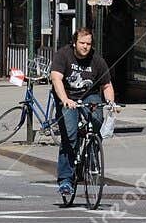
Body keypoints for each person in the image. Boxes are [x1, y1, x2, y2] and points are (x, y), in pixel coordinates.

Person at [50, 27, 116, 206]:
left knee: (97, 120)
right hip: (68, 98)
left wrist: (111, 104)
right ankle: (65, 180)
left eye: (88, 43)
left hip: (89, 96)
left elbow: (107, 85)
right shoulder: (63, 55)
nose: (86, 47)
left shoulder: (97, 60)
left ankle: (92, 153)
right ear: (74, 42)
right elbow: (56, 78)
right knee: (70, 136)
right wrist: (64, 99)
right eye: (82, 43)